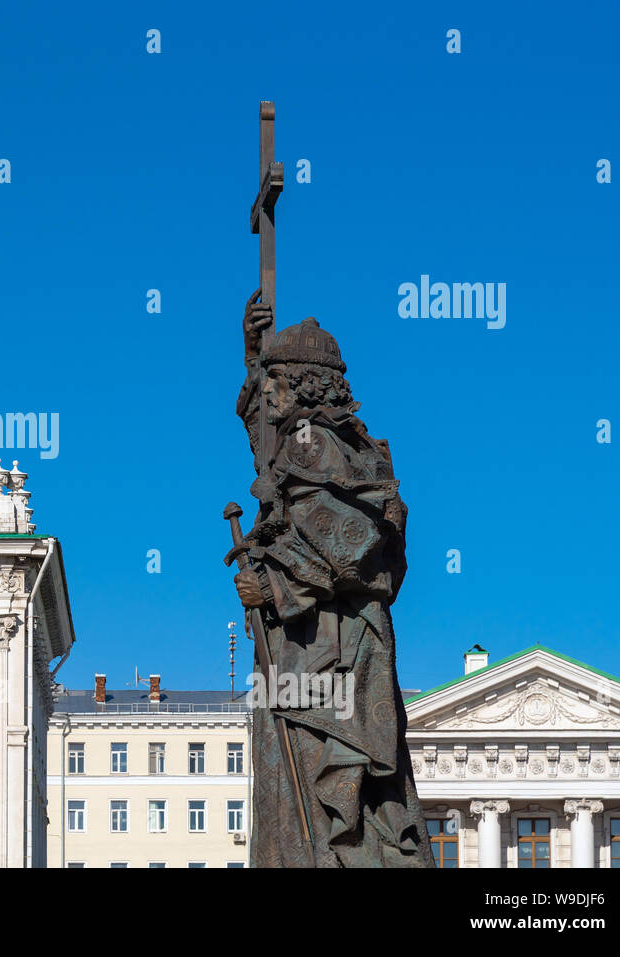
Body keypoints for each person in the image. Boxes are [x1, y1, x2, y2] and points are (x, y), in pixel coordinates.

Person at [233, 291, 433, 867]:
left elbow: (350, 544)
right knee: (293, 780)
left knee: (319, 775)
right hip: (310, 643)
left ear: (302, 385)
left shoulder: (323, 445)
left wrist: (274, 588)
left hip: (333, 646)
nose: (266, 396)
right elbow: (268, 455)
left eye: (273, 384)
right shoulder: (313, 443)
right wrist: (253, 355)